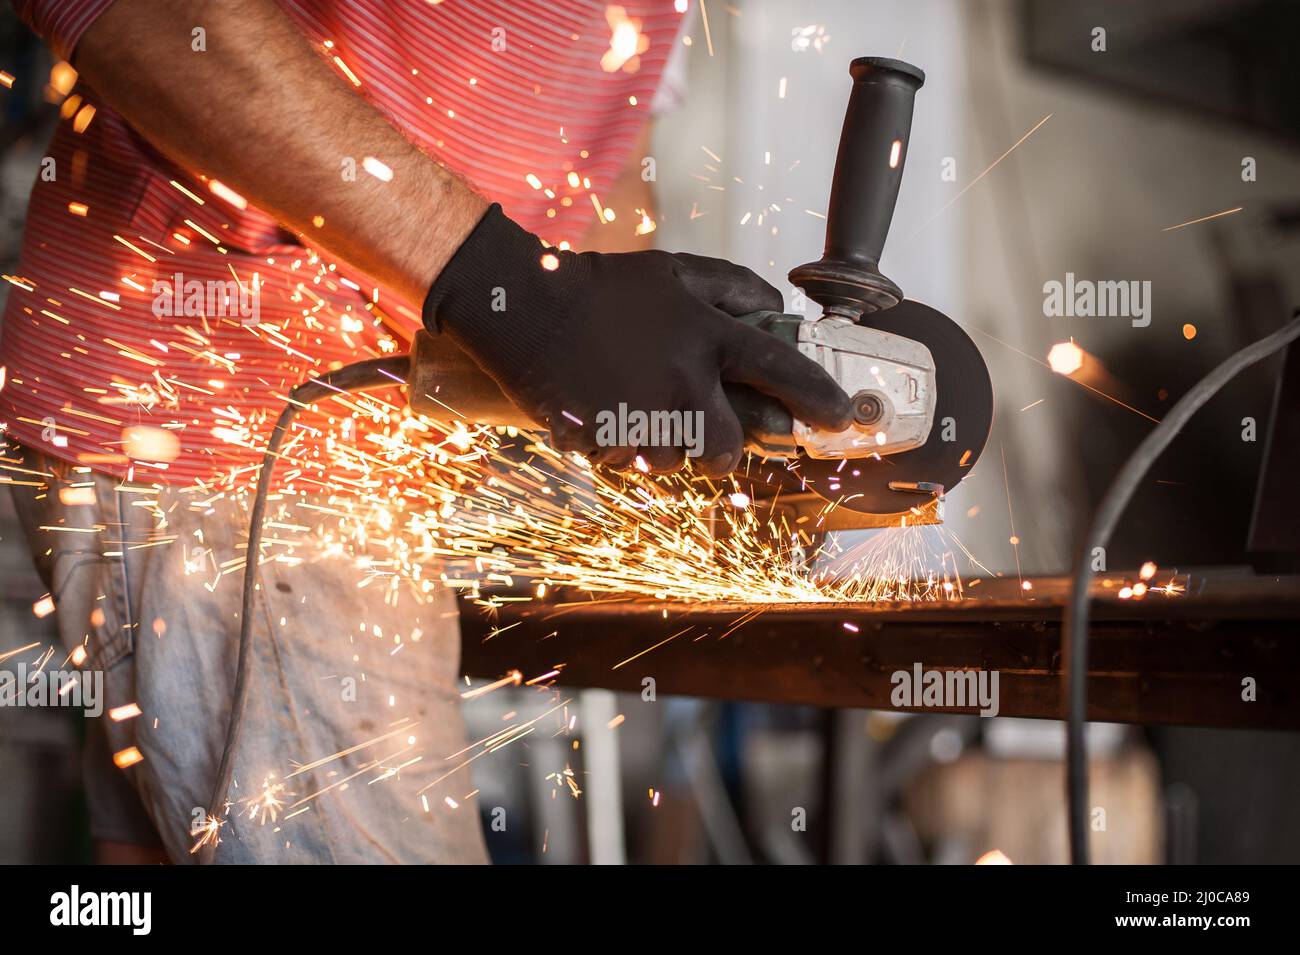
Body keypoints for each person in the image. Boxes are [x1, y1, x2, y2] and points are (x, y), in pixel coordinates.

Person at [3, 0, 851, 863]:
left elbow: (599, 145)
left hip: (377, 457)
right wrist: (523, 300)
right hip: (242, 424)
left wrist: (642, 386)